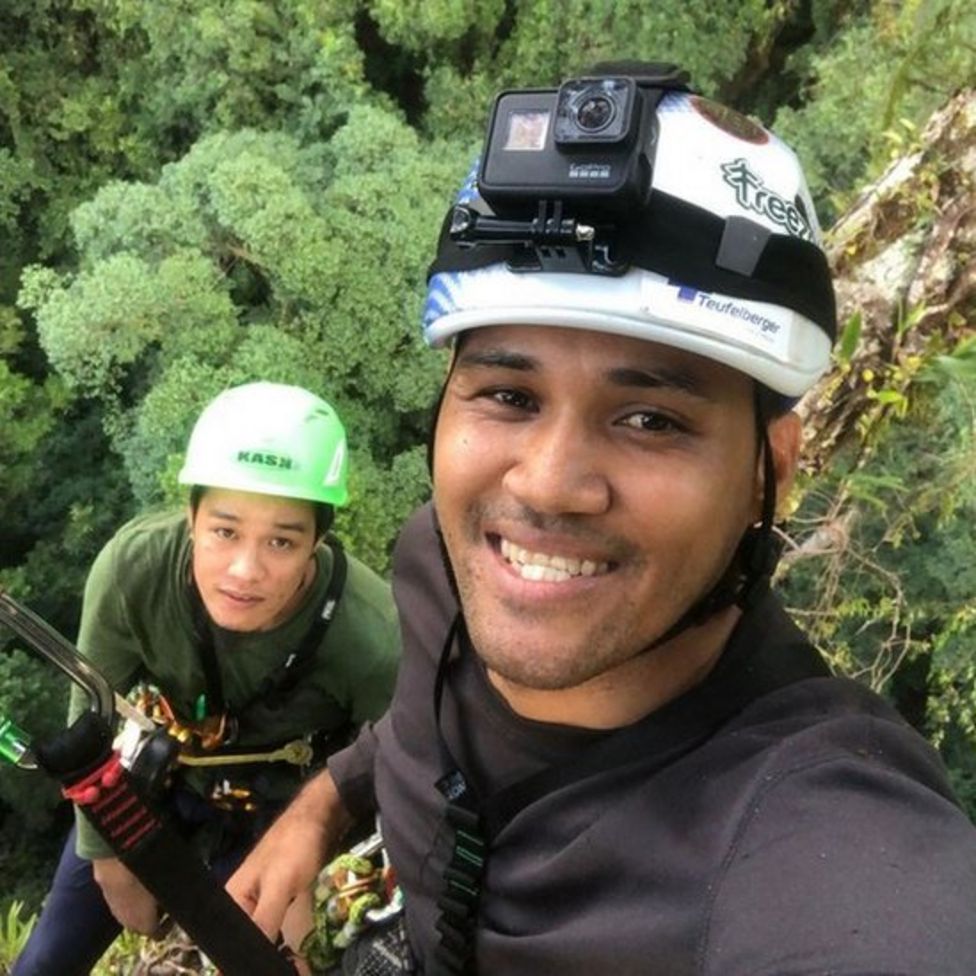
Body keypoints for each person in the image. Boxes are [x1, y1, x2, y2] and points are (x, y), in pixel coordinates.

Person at [228, 65, 976, 975]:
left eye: (651, 419)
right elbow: (413, 726)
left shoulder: (807, 829)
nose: (545, 487)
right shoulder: (440, 560)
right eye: (508, 393)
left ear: (764, 472)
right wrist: (313, 817)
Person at [14, 381, 401, 976]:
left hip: (278, 815)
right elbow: (87, 726)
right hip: (151, 785)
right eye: (225, 531)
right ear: (191, 516)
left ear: (318, 543)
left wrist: (320, 886)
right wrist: (107, 857)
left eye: (281, 540)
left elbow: (393, 773)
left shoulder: (370, 637)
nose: (246, 570)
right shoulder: (135, 571)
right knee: (45, 964)